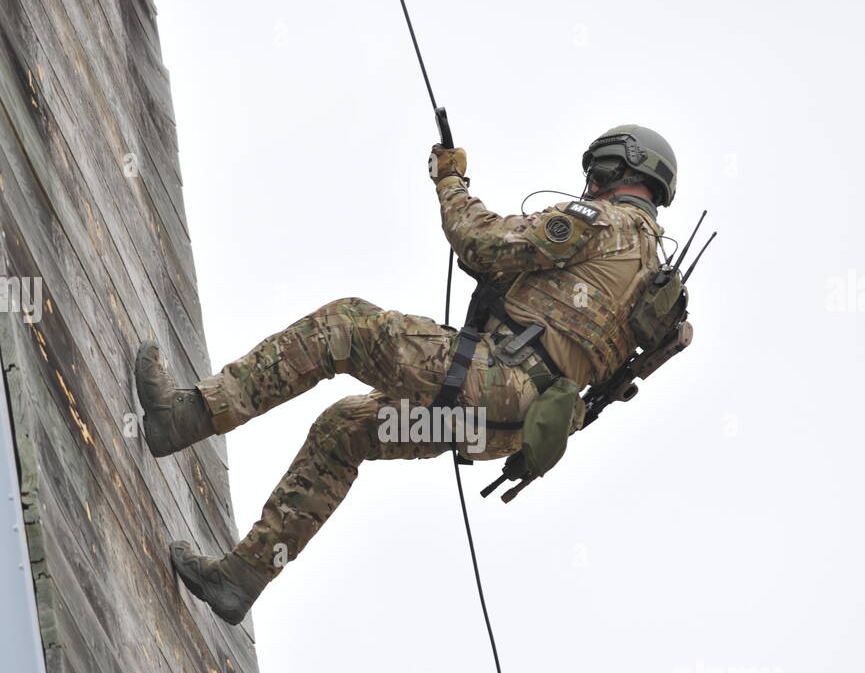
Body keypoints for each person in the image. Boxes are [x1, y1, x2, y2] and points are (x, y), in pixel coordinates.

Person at [135, 124, 677, 624]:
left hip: (492, 382)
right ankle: (239, 579)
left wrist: (450, 180)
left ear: (620, 168)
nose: (589, 182)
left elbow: (481, 242)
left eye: (597, 170)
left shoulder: (605, 224)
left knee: (344, 326)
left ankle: (185, 416)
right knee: (345, 430)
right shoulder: (652, 276)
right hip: (501, 429)